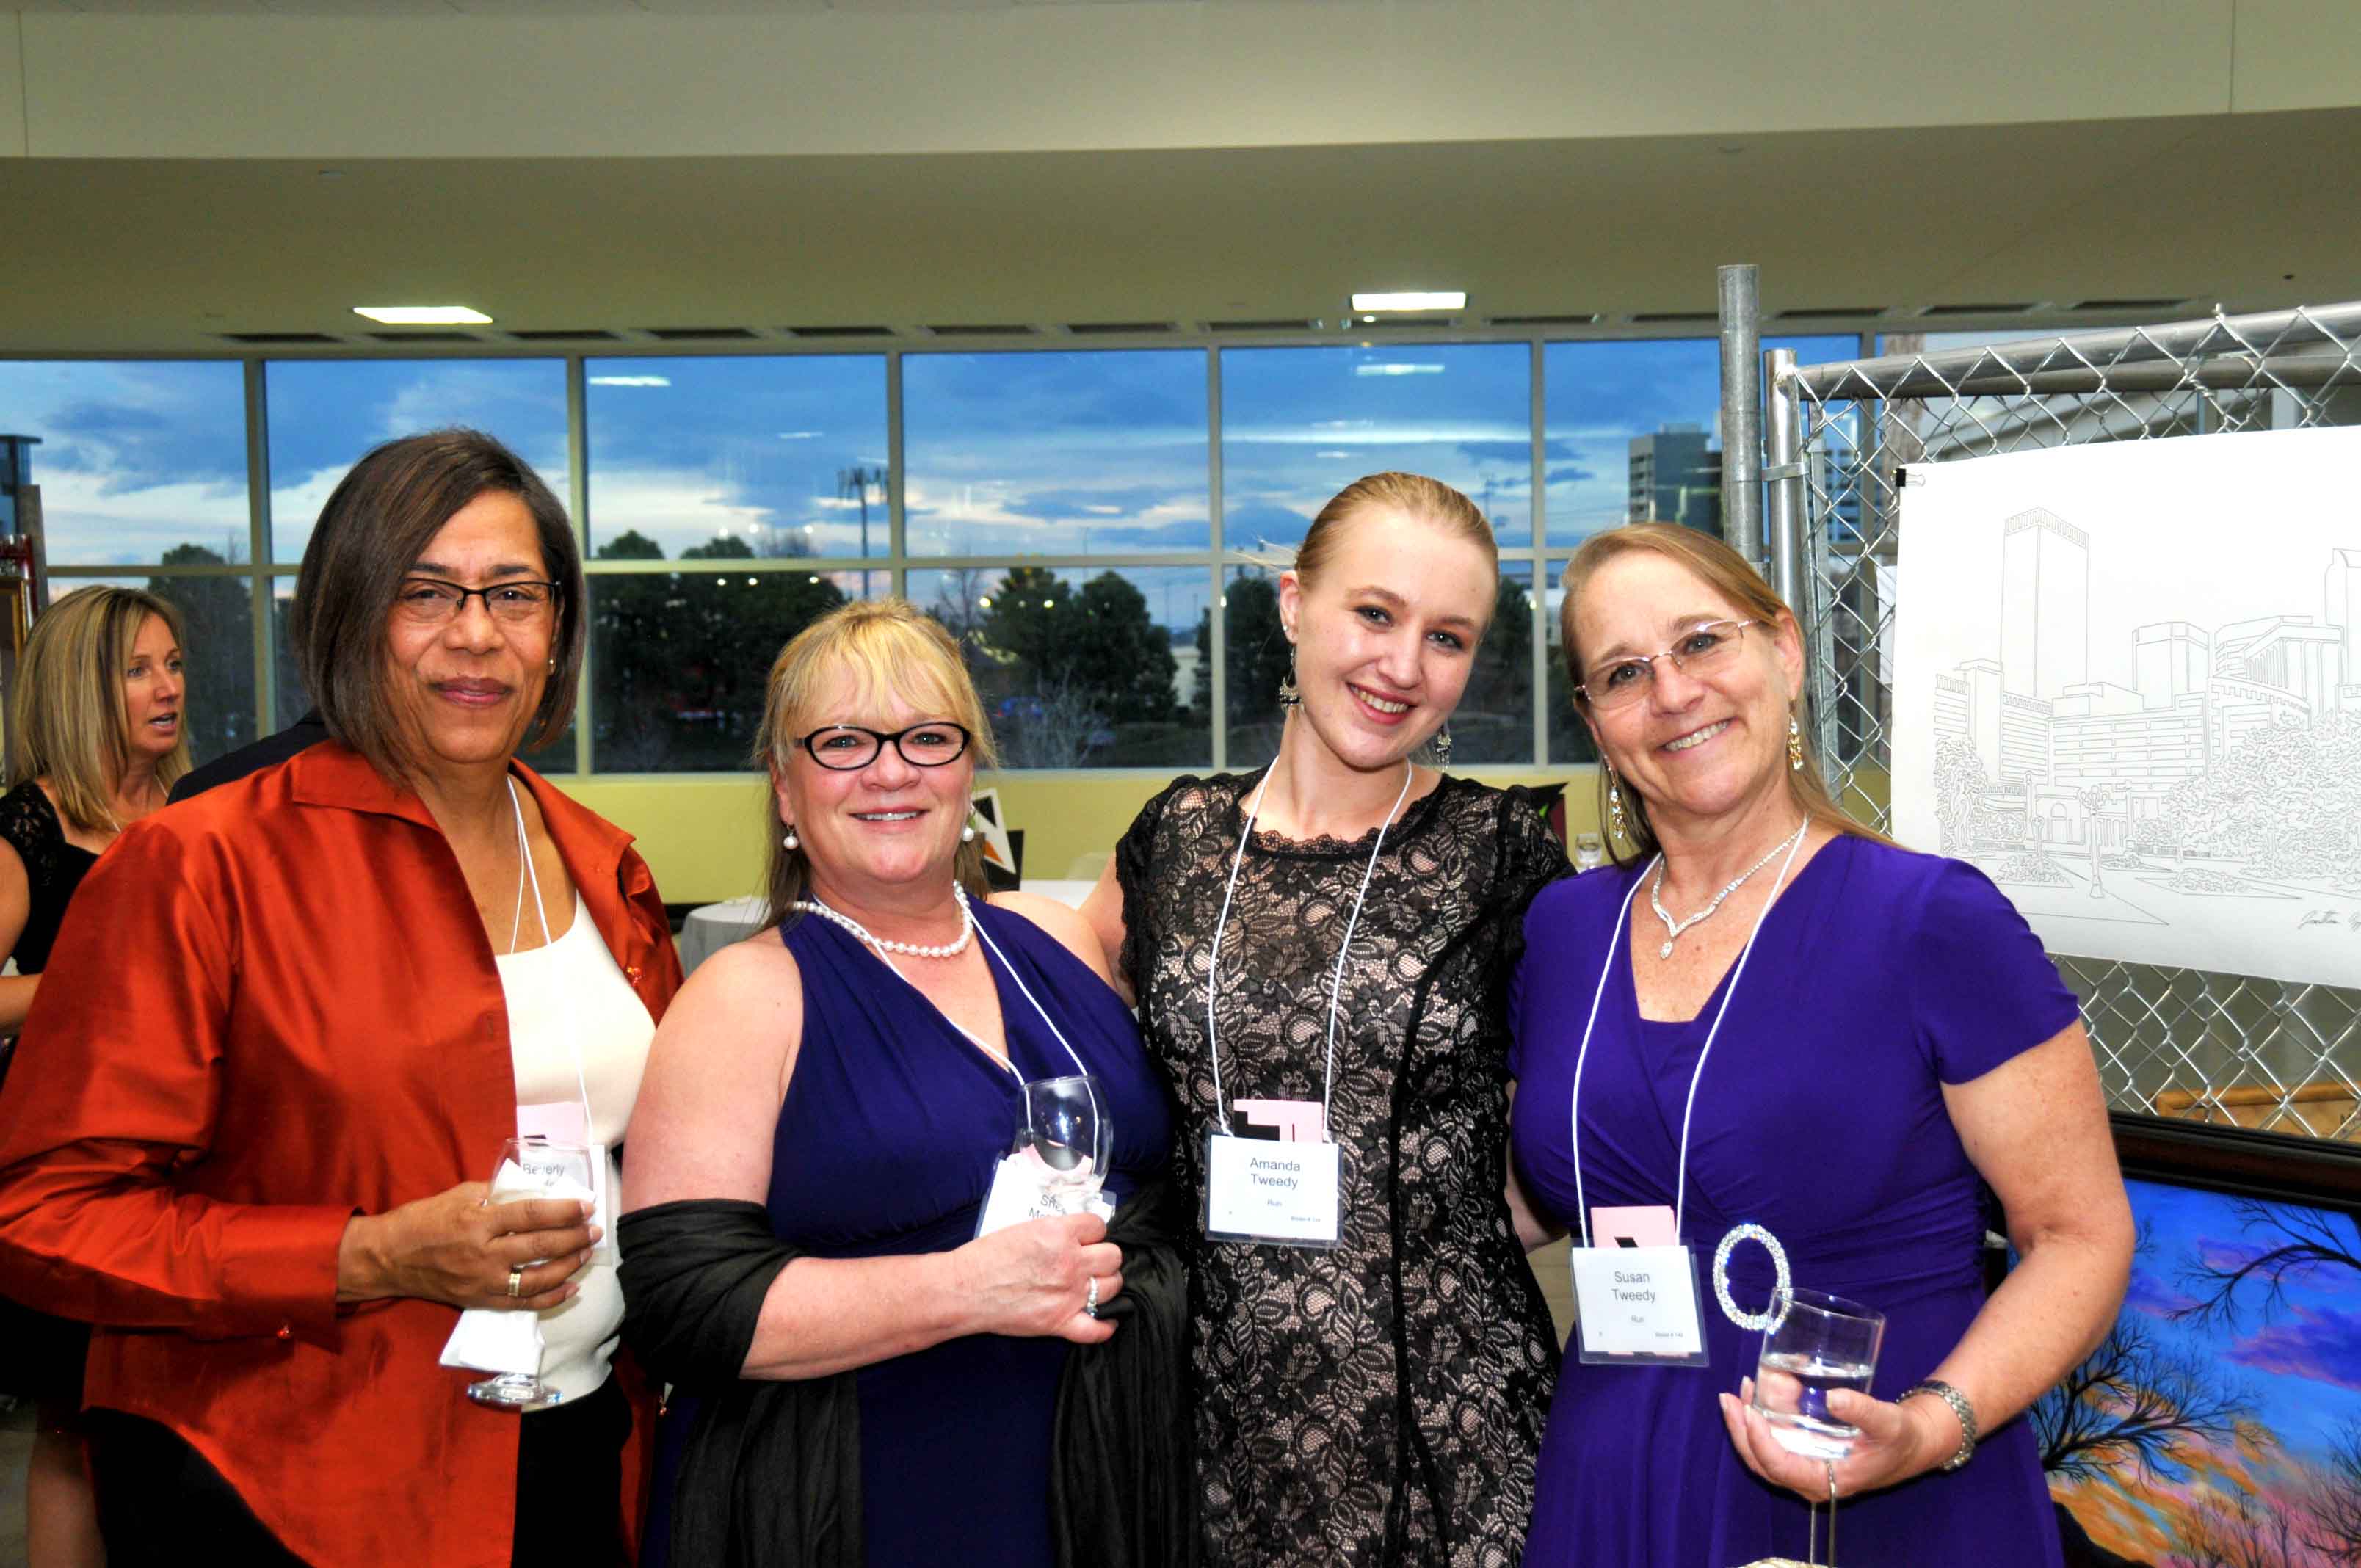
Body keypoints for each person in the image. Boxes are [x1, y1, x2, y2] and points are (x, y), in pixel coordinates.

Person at [0, 429, 683, 1567]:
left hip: (574, 1456)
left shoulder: (603, 863)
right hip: (294, 1489)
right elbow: (41, 1214)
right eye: (425, 593)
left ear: (556, 625)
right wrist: (367, 1257)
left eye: (513, 592)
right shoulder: (203, 866)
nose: (476, 632)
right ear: (347, 615)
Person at [1509, 521, 2134, 1567]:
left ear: (1786, 653)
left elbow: (2082, 1235)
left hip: (1873, 1471)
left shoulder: (1931, 920)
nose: (1672, 692)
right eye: (1624, 672)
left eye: (1702, 642)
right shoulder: (1567, 930)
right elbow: (1540, 1186)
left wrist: (1935, 1426)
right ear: (1594, 720)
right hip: (1617, 1467)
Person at [619, 597, 1187, 1568]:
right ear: (787, 791)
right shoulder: (744, 999)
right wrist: (963, 1290)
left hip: (1108, 1476)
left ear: (969, 771)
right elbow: (683, 1307)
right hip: (869, 1496)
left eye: (927, 737)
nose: (891, 771)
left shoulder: (1054, 939)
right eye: (843, 741)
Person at [1080, 472, 1568, 1565]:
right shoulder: (1178, 841)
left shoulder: (1502, 858)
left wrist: (1430, 1216)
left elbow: (1588, 1120)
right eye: (1375, 614)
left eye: (1448, 637)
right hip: (1212, 1424)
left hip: (1450, 1429)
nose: (1403, 668)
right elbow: (1064, 1032)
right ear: (1295, 604)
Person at [0, 584, 190, 1568]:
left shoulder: (195, 812)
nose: (168, 689)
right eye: (138, 670)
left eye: (174, 665)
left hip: (185, 1159)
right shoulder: (26, 828)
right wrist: (84, 985)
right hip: (75, 1164)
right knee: (75, 1421)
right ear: (80, 688)